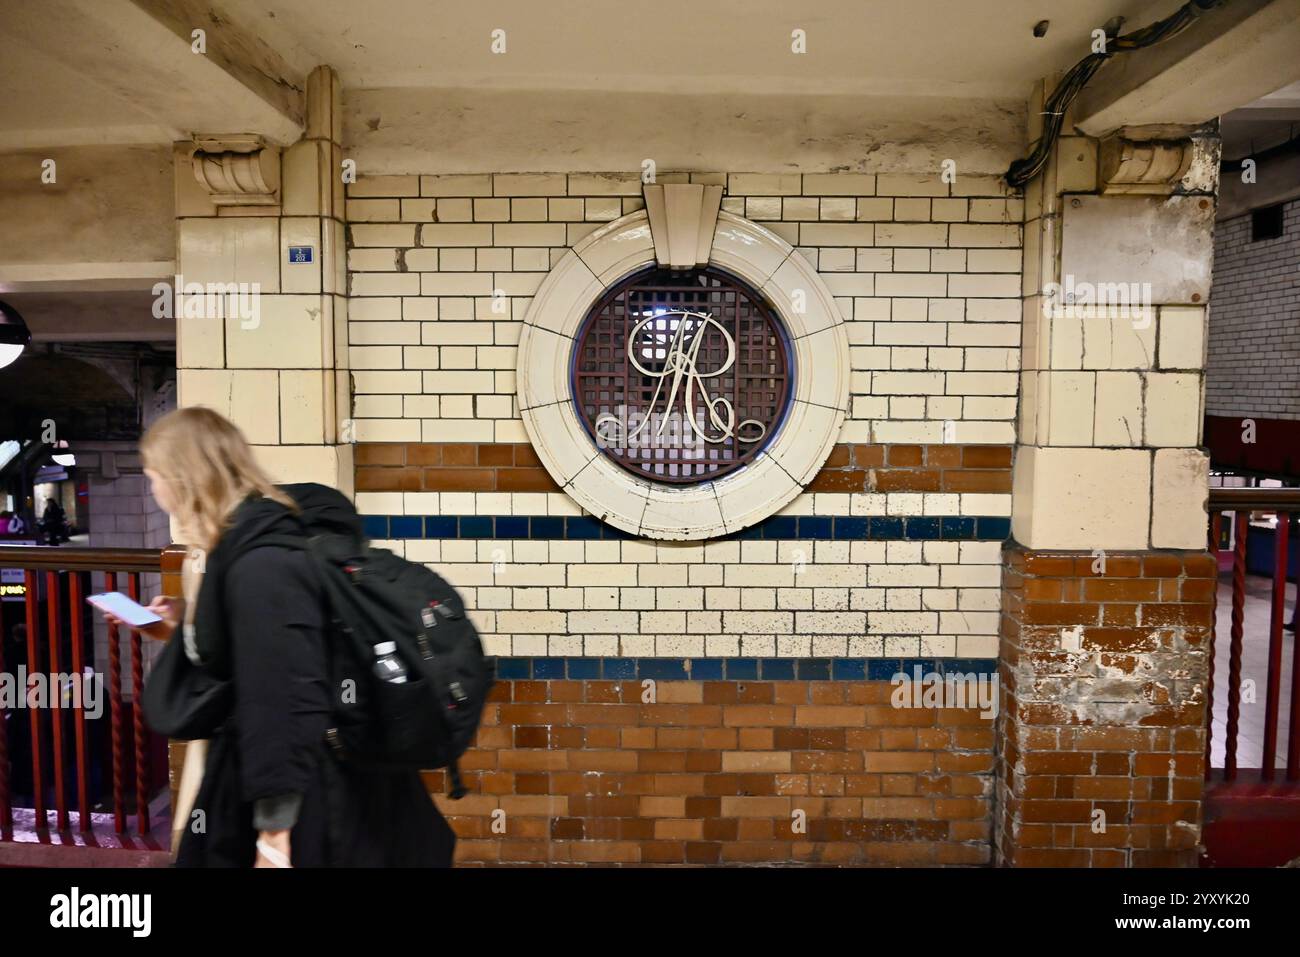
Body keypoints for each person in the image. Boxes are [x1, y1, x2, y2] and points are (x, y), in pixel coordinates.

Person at [98, 406, 456, 867]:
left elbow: (283, 697)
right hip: (292, 778)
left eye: (154, 477)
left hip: (307, 793)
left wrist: (273, 835)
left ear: (182, 478)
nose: (154, 490)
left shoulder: (261, 562)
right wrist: (172, 626)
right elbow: (256, 654)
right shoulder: (247, 546)